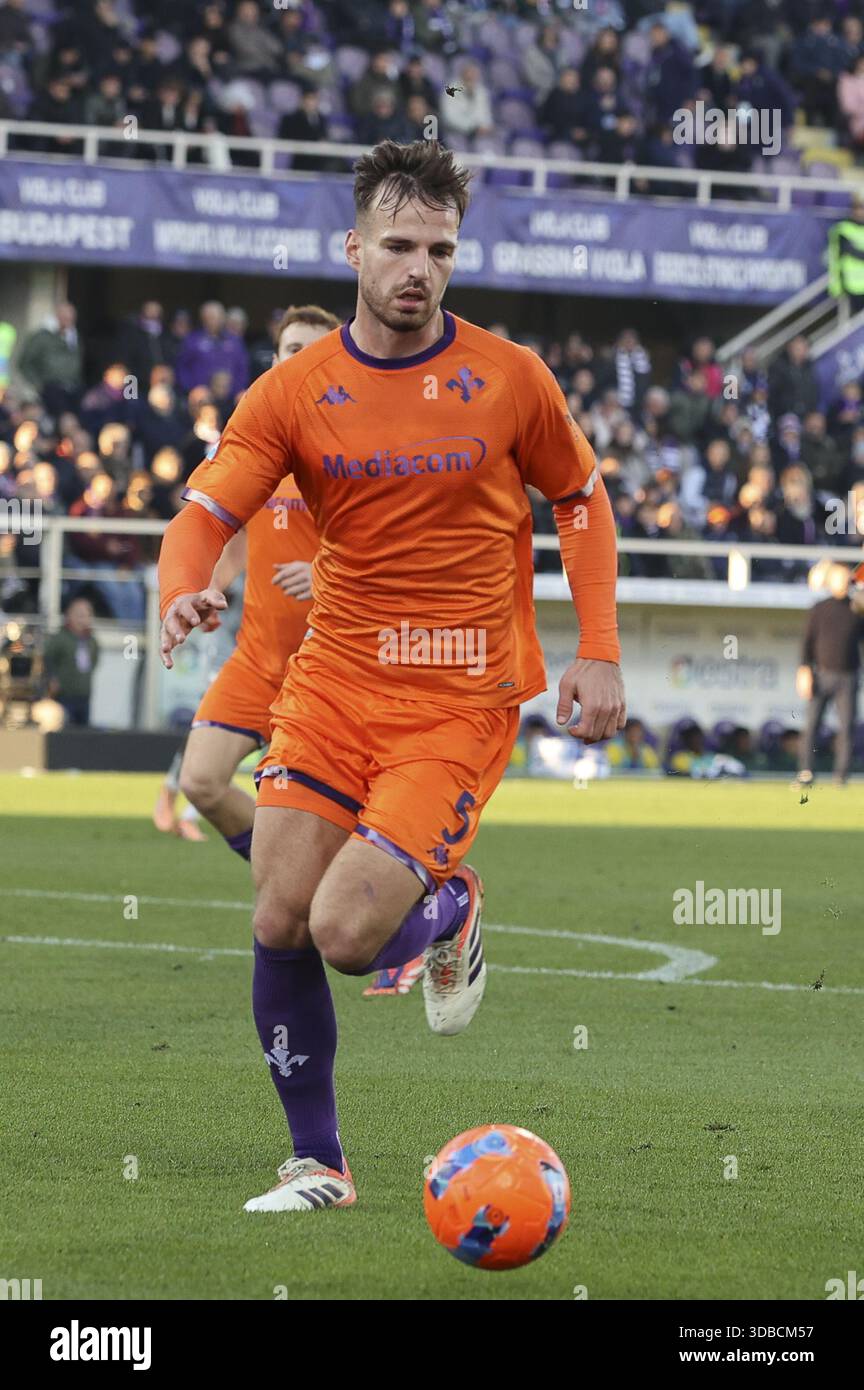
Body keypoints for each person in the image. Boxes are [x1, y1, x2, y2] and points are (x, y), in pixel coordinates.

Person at [158, 139, 624, 1214]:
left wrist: (597, 646)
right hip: (330, 684)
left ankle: (450, 904)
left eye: (441, 250)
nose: (420, 268)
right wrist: (188, 583)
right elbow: (207, 509)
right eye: (401, 246)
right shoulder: (296, 389)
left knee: (344, 932)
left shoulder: (512, 378)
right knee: (277, 916)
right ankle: (319, 1163)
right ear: (354, 247)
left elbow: (583, 501)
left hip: (457, 696)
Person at [796, 562, 864, 786]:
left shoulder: (857, 608)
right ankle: (806, 772)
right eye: (840, 578)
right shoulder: (820, 607)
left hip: (849, 676)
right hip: (822, 675)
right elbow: (807, 641)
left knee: (846, 728)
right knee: (812, 726)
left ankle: (841, 776)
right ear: (830, 581)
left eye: (848, 578)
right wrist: (804, 670)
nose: (845, 582)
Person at [43, 595, 99, 726]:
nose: (83, 620)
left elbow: (94, 662)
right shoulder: (60, 638)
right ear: (69, 615)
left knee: (83, 733)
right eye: (79, 615)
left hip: (84, 696)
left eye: (86, 615)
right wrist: (52, 679)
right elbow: (48, 659)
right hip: (64, 696)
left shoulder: (91, 641)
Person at [828, 195, 864, 315]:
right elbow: (849, 250)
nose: (861, 212)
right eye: (858, 208)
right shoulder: (843, 229)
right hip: (850, 283)